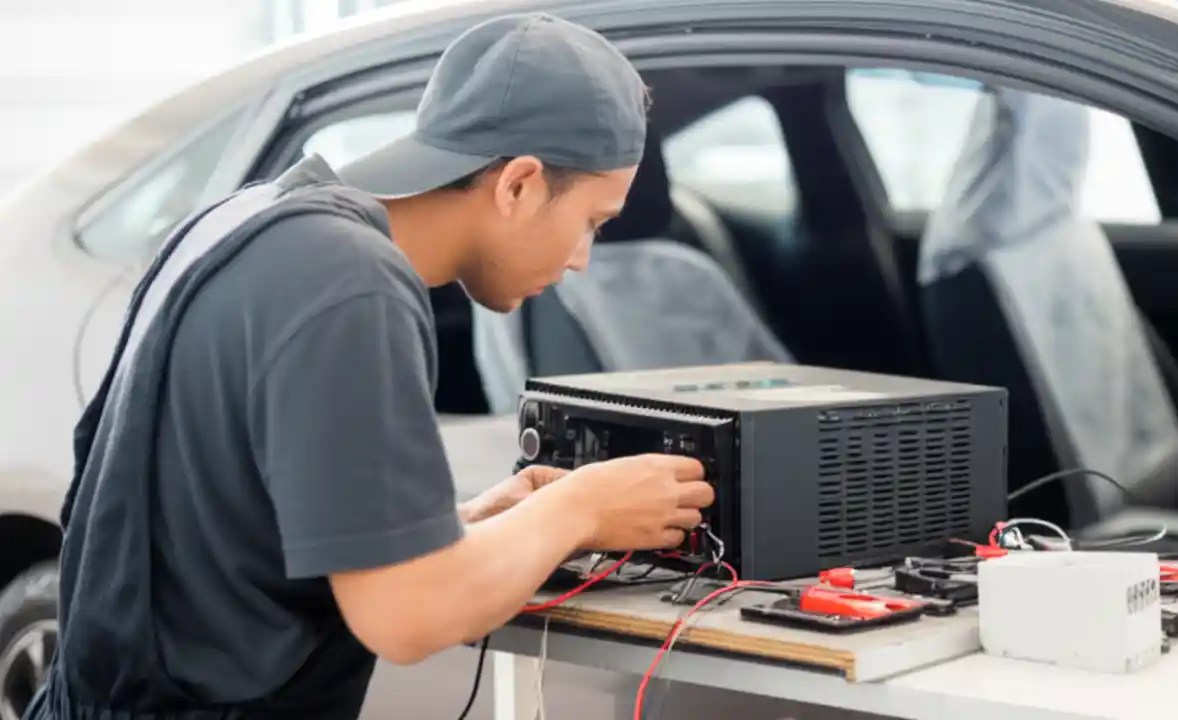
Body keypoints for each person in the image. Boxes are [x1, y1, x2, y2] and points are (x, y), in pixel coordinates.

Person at [28, 12, 714, 720]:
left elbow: (239, 529)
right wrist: (577, 507)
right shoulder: (353, 282)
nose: (581, 259)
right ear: (519, 185)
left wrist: (463, 527)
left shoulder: (246, 221)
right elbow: (408, 614)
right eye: (593, 222)